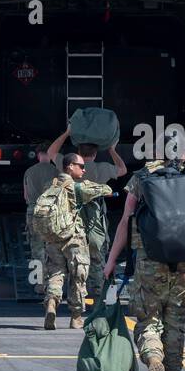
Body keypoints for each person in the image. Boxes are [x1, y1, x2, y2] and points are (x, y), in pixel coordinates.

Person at [104, 148, 185, 371]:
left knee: (148, 320)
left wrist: (111, 261)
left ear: (158, 151)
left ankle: (153, 358)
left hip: (149, 260)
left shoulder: (142, 178)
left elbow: (125, 221)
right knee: (176, 322)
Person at [47, 127, 128, 295]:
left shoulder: (68, 167)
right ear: (95, 154)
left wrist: (67, 133)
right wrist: (112, 150)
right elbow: (123, 170)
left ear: (77, 152)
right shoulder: (102, 169)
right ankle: (98, 298)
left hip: (70, 218)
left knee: (72, 259)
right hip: (93, 222)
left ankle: (73, 297)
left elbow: (51, 152)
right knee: (97, 260)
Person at [36, 153, 112, 330]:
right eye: (81, 166)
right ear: (70, 166)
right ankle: (76, 316)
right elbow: (105, 190)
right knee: (79, 275)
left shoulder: (50, 185)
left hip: (53, 238)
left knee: (56, 274)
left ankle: (52, 304)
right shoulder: (77, 187)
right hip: (73, 238)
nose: (84, 169)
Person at [22, 143, 56, 294]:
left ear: (37, 155)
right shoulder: (57, 171)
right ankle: (53, 283)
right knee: (53, 249)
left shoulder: (29, 172)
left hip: (34, 212)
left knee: (36, 249)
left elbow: (25, 196)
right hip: (51, 213)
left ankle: (38, 284)